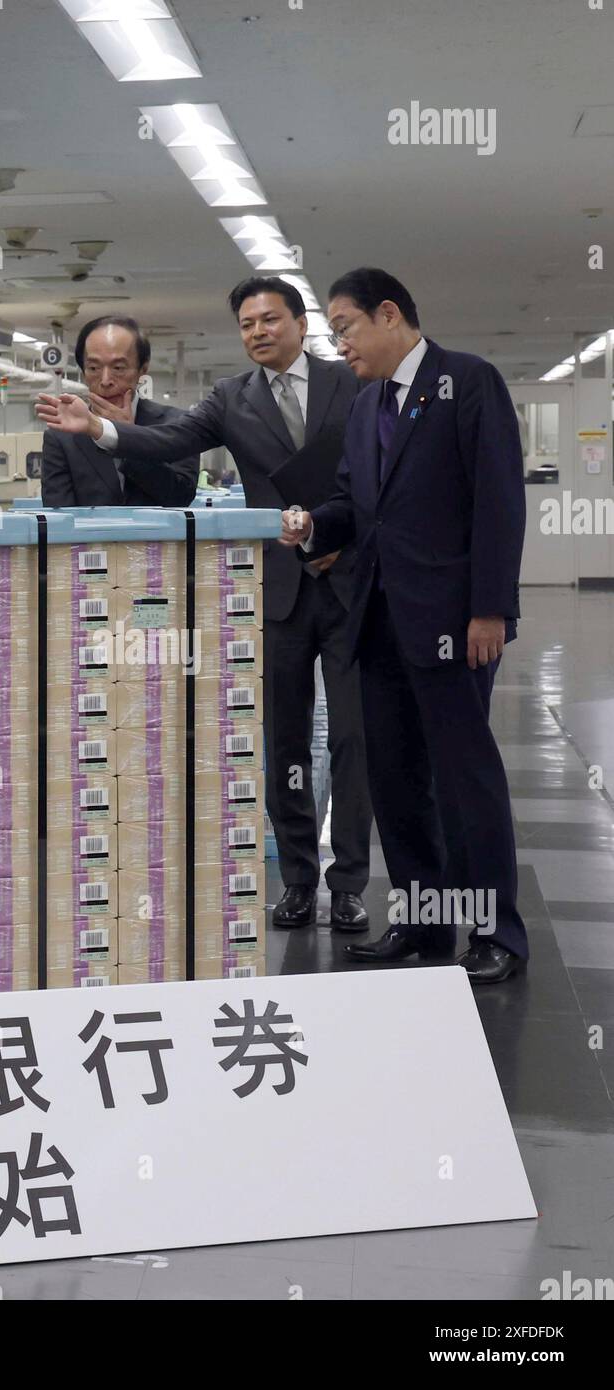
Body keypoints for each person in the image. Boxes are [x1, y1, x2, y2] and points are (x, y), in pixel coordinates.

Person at [37, 278, 373, 932]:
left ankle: (350, 882)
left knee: (354, 738)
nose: (257, 331)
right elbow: (168, 444)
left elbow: (373, 472)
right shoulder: (230, 398)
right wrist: (100, 428)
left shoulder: (352, 384)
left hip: (347, 580)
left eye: (269, 319)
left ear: (300, 324)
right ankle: (298, 880)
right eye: (246, 323)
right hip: (276, 587)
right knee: (283, 739)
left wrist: (344, 534)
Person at [281, 267, 527, 984]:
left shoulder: (467, 382)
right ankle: (424, 924)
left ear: (389, 314)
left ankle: (497, 934)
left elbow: (498, 501)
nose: (341, 346)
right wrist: (309, 525)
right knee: (395, 783)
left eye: (345, 328)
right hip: (378, 622)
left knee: (462, 782)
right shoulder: (367, 406)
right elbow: (354, 506)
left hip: (453, 622)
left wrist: (490, 608)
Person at [39, 316, 200, 506]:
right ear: (83, 371)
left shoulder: (177, 424)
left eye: (118, 368)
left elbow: (181, 498)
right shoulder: (62, 437)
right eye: (93, 368)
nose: (105, 380)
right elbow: (59, 516)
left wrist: (128, 440)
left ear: (143, 368)